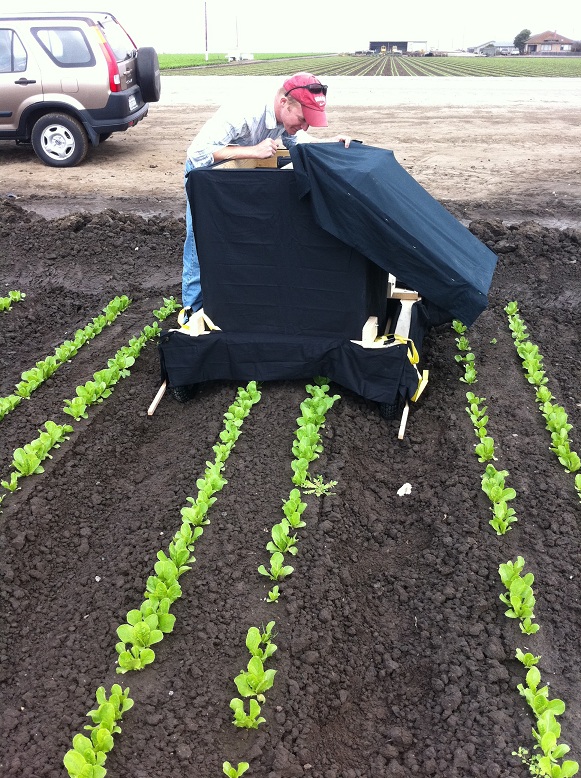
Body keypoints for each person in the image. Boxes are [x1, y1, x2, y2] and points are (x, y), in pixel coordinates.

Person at [181, 72, 351, 314]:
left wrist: (329, 144)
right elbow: (198, 152)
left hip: (235, 172)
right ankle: (191, 310)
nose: (304, 126)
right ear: (284, 102)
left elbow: (295, 140)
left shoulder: (284, 117)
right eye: (302, 119)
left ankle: (227, 299)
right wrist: (252, 151)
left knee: (233, 238)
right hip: (204, 174)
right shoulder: (245, 111)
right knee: (201, 239)